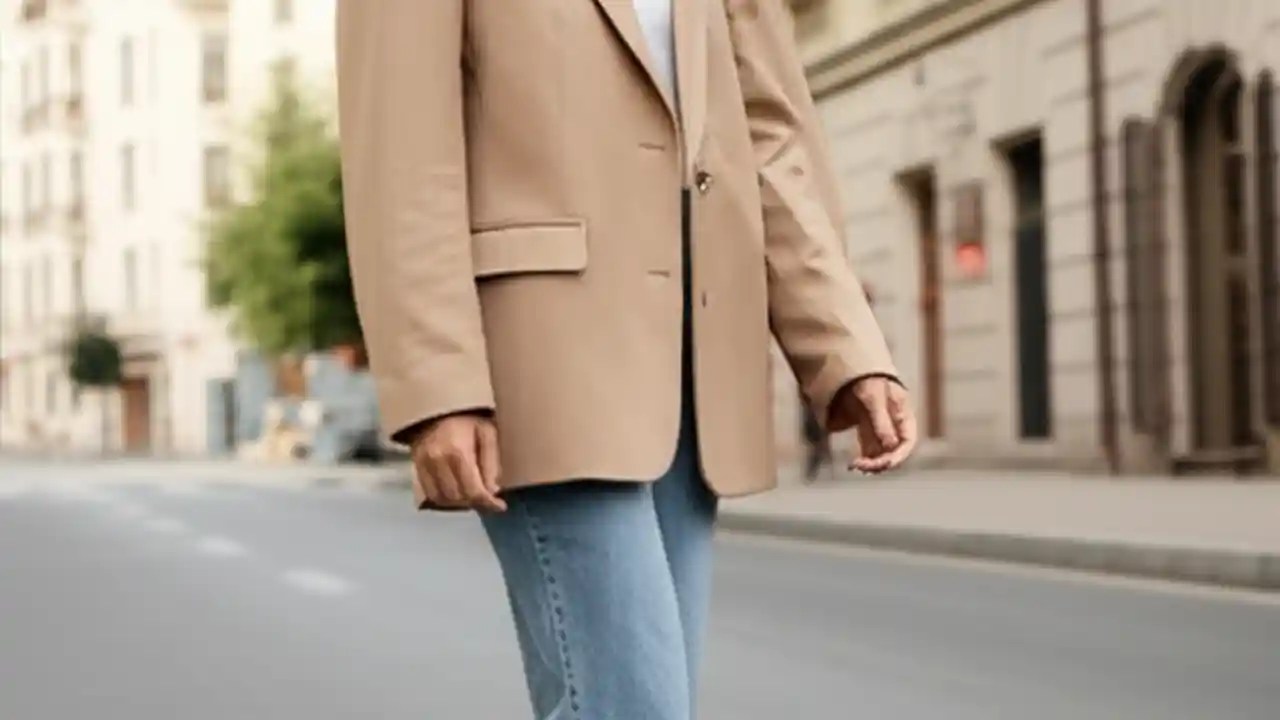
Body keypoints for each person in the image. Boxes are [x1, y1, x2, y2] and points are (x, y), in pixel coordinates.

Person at [335, 1, 917, 718]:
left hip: (695, 353)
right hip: (539, 355)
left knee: (644, 700)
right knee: (635, 704)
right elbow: (400, 145)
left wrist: (845, 345)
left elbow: (769, 137)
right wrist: (437, 384)